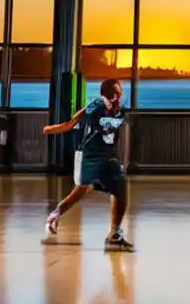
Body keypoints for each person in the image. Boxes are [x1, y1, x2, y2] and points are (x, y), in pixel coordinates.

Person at [41, 78, 133, 252]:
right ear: (107, 96)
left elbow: (118, 129)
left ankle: (114, 234)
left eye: (119, 94)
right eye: (115, 95)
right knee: (82, 190)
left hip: (107, 157)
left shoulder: (120, 111)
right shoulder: (95, 107)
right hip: (88, 156)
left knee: (120, 186)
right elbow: (72, 122)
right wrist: (52, 129)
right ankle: (55, 215)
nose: (118, 98)